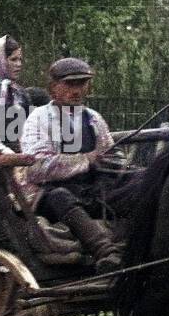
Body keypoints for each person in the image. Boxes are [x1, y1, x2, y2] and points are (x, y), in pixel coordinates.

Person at [20, 57, 123, 272]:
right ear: (53, 88)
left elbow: (113, 155)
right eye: (69, 84)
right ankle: (105, 251)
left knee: (130, 188)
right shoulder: (38, 119)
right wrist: (86, 160)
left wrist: (115, 167)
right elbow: (36, 168)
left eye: (82, 84)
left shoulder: (93, 119)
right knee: (60, 196)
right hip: (50, 196)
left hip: (90, 192)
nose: (76, 90)